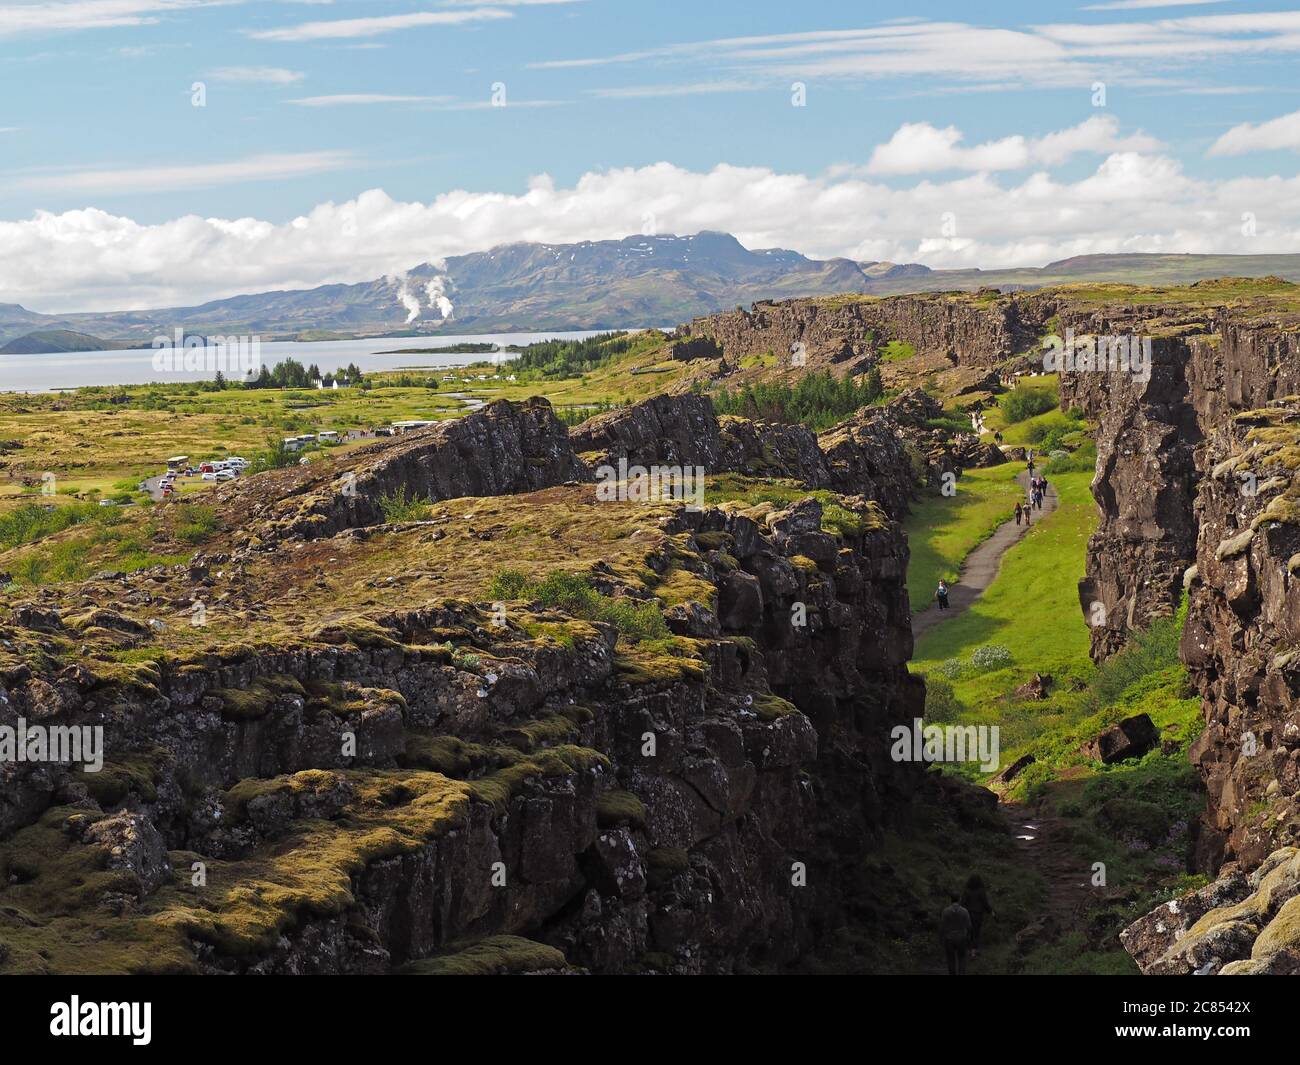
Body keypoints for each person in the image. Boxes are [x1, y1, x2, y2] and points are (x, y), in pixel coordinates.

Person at [960, 875, 994, 955]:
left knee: (968, 932)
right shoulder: (981, 891)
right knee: (976, 932)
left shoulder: (966, 891)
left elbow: (962, 903)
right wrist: (990, 911)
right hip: (977, 914)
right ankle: (973, 951)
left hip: (967, 914)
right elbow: (985, 903)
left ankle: (968, 950)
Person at [940, 894, 972, 975]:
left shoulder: (945, 911)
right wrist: (969, 936)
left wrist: (942, 938)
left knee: (950, 959)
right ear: (959, 899)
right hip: (961, 937)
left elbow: (943, 926)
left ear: (951, 900)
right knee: (962, 958)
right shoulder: (964, 911)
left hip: (949, 938)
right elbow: (969, 925)